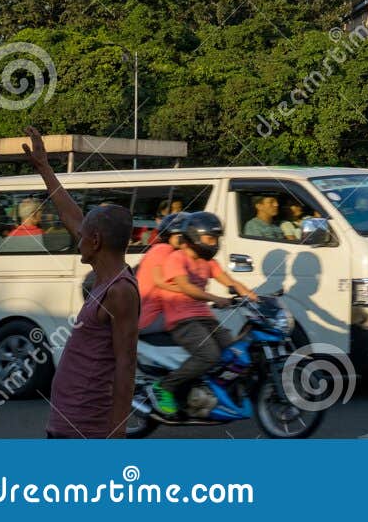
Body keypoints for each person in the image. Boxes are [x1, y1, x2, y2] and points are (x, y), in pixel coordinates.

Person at [21, 127, 138, 439]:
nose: (76, 236)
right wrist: (45, 169)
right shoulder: (105, 277)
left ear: (96, 241)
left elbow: (126, 366)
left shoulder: (120, 291)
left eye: (83, 234)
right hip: (68, 425)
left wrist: (117, 434)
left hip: (85, 431)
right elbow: (72, 215)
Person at [150, 211, 258, 416]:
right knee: (209, 355)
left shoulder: (207, 262)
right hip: (181, 319)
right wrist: (215, 298)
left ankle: (205, 391)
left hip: (205, 316)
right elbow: (186, 287)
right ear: (194, 236)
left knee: (234, 353)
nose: (214, 243)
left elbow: (229, 281)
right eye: (210, 238)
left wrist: (252, 295)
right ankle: (166, 386)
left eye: (216, 239)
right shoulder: (177, 258)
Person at [136, 213, 188, 335]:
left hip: (148, 316)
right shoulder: (163, 250)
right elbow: (159, 281)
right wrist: (190, 290)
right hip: (150, 319)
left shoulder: (163, 250)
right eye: (179, 236)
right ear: (168, 235)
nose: (183, 239)